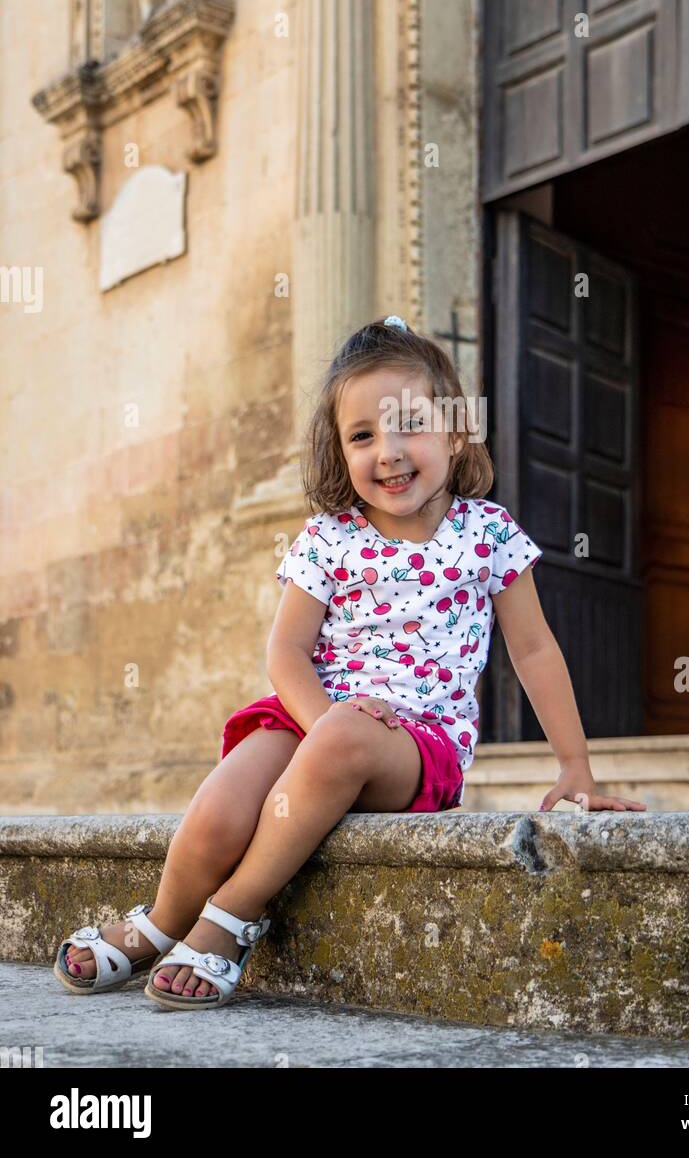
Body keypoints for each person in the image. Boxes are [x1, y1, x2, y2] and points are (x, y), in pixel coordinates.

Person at [54, 315, 645, 1010]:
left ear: (455, 434)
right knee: (219, 808)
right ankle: (161, 921)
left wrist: (574, 766)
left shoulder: (487, 534)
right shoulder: (328, 538)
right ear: (340, 451)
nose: (387, 452)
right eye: (362, 436)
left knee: (342, 740)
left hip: (415, 744)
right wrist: (321, 722)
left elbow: (535, 649)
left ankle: (233, 916)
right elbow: (285, 652)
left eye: (408, 426)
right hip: (315, 715)